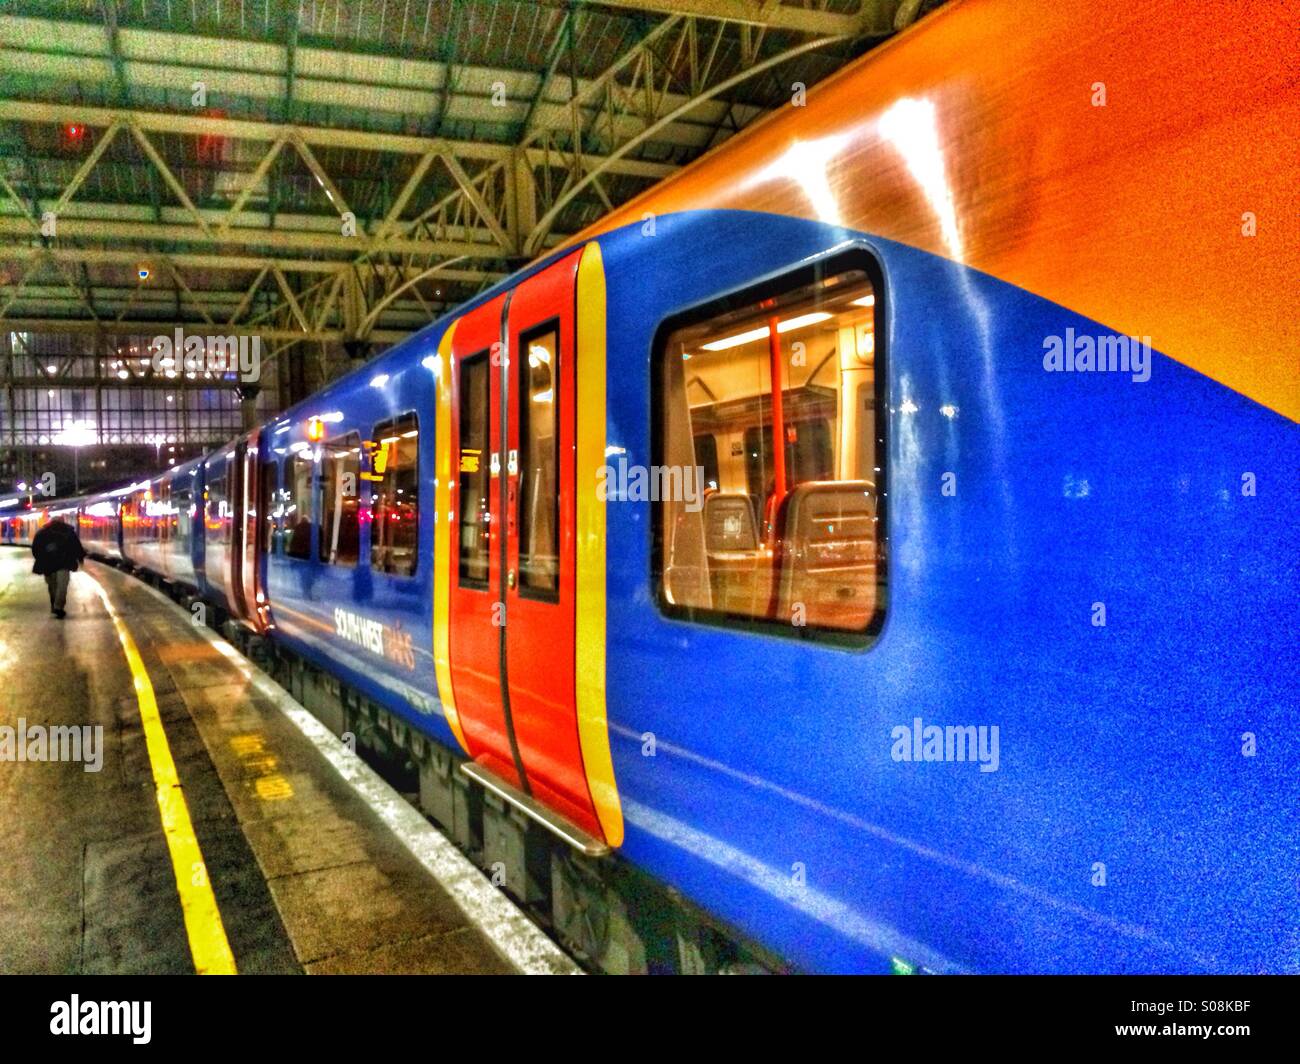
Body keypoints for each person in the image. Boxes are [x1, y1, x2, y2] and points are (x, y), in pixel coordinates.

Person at [30, 514, 87, 619]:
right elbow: (76, 546)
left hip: (48, 564)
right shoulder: (69, 532)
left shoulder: (42, 533)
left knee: (52, 586)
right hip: (64, 564)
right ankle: (58, 606)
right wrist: (80, 558)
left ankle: (55, 605)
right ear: (63, 521)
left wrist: (40, 559)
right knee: (62, 586)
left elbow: (35, 549)